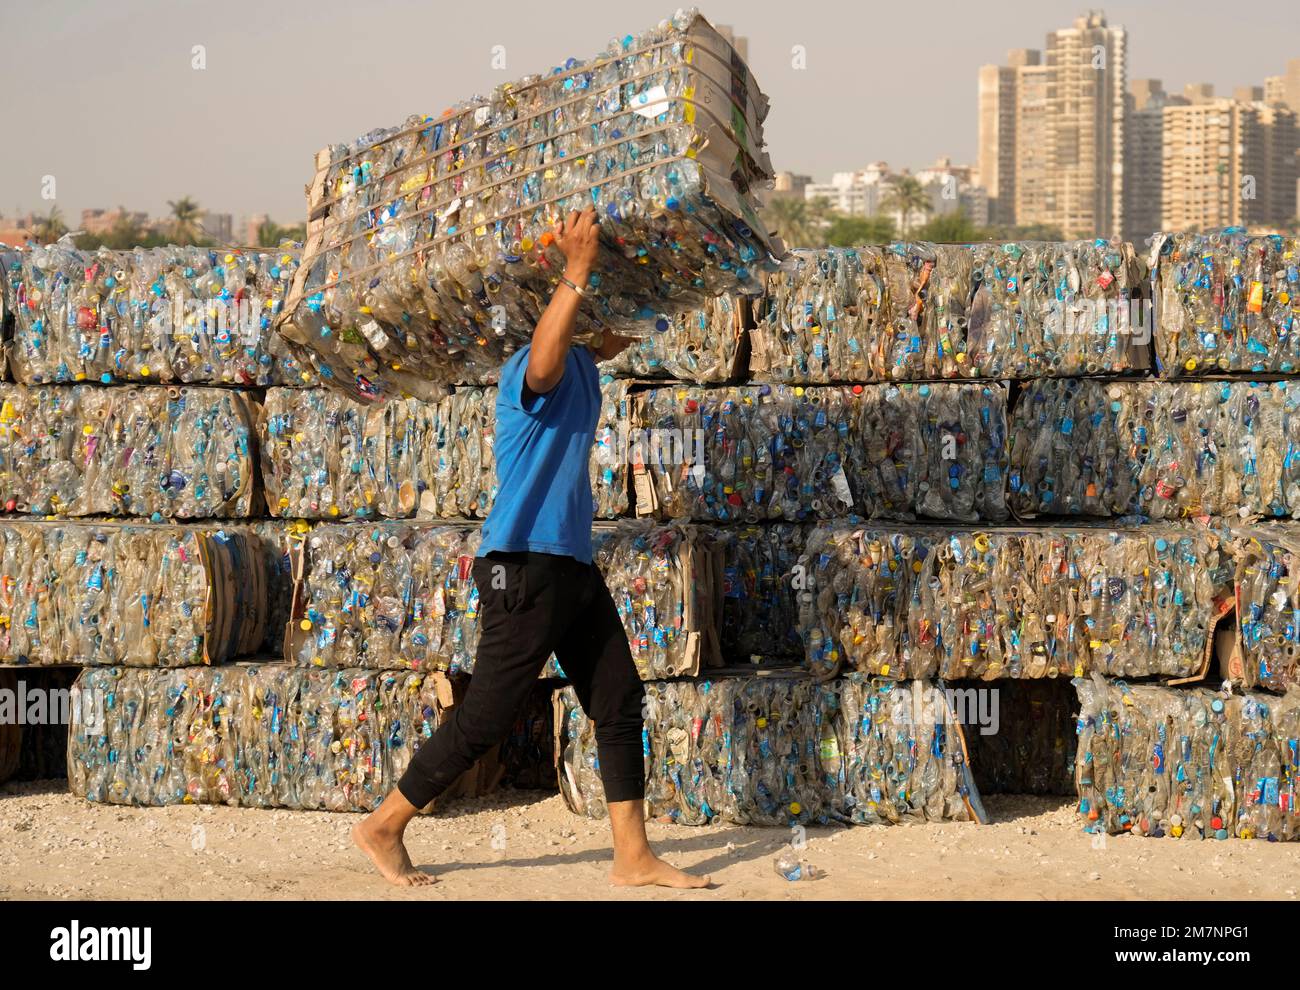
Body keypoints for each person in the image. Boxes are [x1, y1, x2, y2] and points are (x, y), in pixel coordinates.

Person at [353, 208, 711, 890]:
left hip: (570, 564)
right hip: (523, 564)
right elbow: (545, 362)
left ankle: (632, 856)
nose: (606, 328)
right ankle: (384, 823)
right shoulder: (530, 367)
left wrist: (633, 293)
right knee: (487, 713)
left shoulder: (583, 365)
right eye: (590, 308)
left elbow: (590, 342)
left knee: (618, 698)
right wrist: (575, 270)